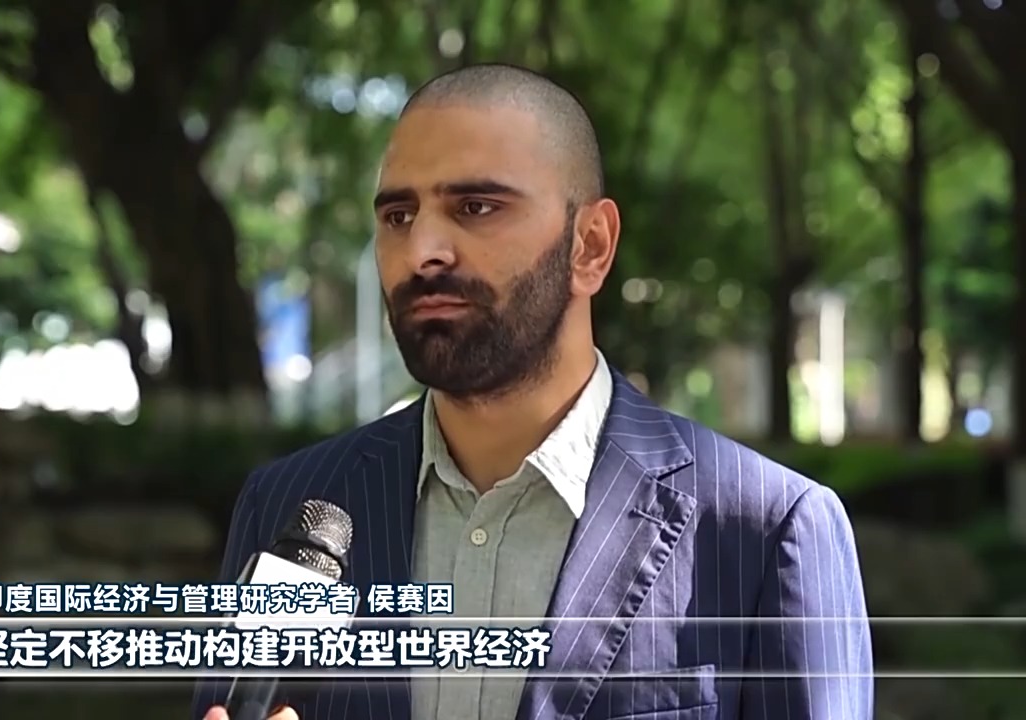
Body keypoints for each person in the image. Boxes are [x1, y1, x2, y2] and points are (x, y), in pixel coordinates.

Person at [194, 63, 873, 720]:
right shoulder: (291, 509)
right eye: (398, 215)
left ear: (590, 245)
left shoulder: (765, 530)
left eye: (476, 207)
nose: (424, 249)